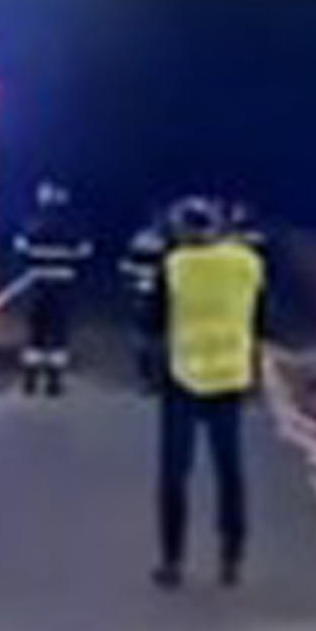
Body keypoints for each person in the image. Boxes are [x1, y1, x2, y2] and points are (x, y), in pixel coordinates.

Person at [149, 197, 265, 589]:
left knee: (174, 475)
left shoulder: (175, 266)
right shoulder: (246, 263)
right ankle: (232, 559)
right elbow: (260, 317)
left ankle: (172, 561)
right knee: (230, 473)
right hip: (230, 377)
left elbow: (153, 321)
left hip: (182, 377)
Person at [13, 182, 92, 397]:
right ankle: (54, 383)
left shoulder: (31, 225)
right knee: (58, 335)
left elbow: (20, 250)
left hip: (36, 286)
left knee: (35, 334)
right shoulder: (73, 227)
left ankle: (29, 381)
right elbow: (85, 252)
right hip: (62, 287)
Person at [121, 215, 169, 392]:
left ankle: (147, 378)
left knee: (144, 338)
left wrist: (132, 284)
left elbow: (126, 266)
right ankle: (158, 378)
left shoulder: (140, 239)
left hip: (143, 294)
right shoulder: (174, 240)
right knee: (157, 339)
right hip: (164, 295)